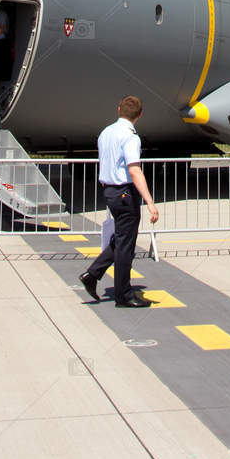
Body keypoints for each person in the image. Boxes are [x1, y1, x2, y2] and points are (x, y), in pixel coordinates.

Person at [79, 96, 160, 306]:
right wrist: (149, 201)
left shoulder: (106, 133)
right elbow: (134, 170)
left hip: (109, 192)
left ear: (118, 110)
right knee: (126, 245)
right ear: (139, 115)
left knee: (121, 239)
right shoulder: (130, 137)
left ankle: (93, 274)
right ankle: (123, 294)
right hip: (125, 193)